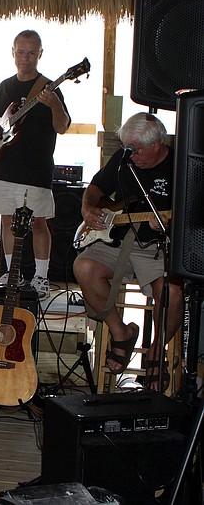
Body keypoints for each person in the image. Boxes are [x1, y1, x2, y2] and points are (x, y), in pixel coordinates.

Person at [73, 113, 182, 390]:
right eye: (127, 149)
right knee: (83, 266)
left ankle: (157, 351)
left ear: (157, 144)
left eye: (137, 150)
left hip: (158, 247)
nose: (131, 156)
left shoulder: (181, 165)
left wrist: (170, 224)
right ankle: (121, 333)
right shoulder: (124, 159)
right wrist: (88, 208)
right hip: (119, 241)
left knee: (172, 292)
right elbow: (96, 187)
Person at [0, 30, 71, 299]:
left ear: (40, 54)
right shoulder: (5, 86)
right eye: (21, 52)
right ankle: (11, 273)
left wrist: (54, 105)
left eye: (31, 53)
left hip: (36, 167)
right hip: (4, 165)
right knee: (7, 219)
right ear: (13, 53)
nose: (25, 58)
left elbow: (62, 126)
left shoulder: (50, 88)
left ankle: (41, 277)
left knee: (38, 222)